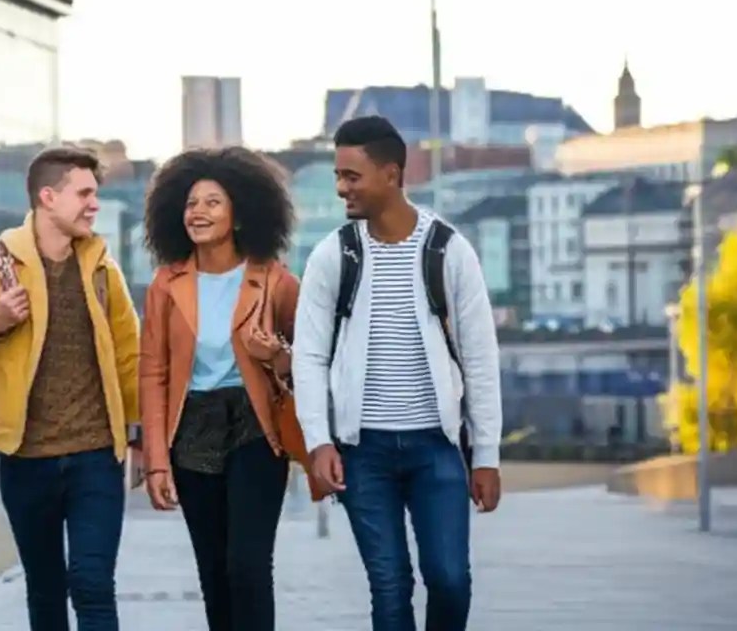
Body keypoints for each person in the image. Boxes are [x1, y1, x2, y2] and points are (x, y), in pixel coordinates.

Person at [292, 116, 503, 631]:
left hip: (437, 447)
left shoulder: (448, 251)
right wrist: (319, 441)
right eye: (338, 175)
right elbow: (310, 357)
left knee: (450, 579)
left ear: (391, 173)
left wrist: (487, 456)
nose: (341, 187)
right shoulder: (333, 255)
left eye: (351, 175)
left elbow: (479, 356)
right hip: (364, 454)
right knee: (390, 587)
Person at [0, 145, 141, 631]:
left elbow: (128, 352)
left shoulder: (101, 269)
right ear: (48, 197)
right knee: (45, 589)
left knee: (93, 583)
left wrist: (138, 435)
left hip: (97, 456)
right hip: (26, 459)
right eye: (85, 193)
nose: (94, 204)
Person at [139, 146, 303, 631]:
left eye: (212, 202)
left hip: (256, 427)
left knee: (248, 567)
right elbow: (153, 375)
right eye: (191, 203)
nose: (198, 212)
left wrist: (274, 354)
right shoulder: (166, 285)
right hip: (191, 430)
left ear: (239, 212)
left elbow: (308, 366)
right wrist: (156, 460)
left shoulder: (276, 281)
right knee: (213, 571)